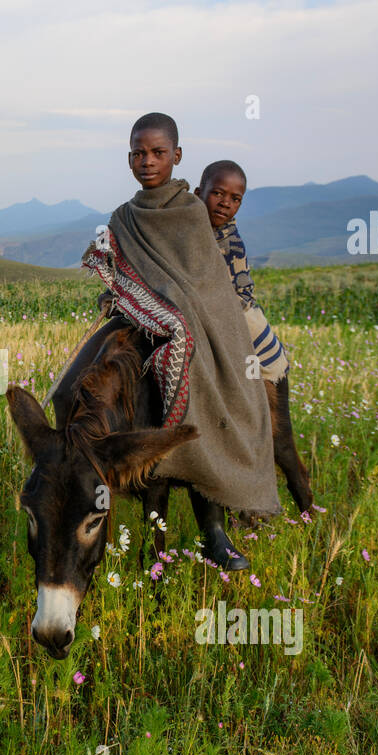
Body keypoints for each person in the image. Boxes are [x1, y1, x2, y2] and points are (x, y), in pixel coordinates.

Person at [79, 113, 279, 570]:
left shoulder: (191, 212)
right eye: (138, 153)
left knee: (206, 387)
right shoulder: (124, 217)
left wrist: (179, 316)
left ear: (177, 156)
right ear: (128, 157)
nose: (147, 161)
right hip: (142, 320)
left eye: (157, 153)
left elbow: (204, 286)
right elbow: (123, 271)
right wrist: (128, 297)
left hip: (195, 330)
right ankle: (143, 533)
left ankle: (214, 531)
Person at [193, 160, 288, 382]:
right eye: (218, 193)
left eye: (235, 199)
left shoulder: (231, 243)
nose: (225, 203)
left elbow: (240, 291)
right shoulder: (189, 229)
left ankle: (264, 390)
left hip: (236, 305)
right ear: (198, 193)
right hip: (199, 304)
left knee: (267, 357)